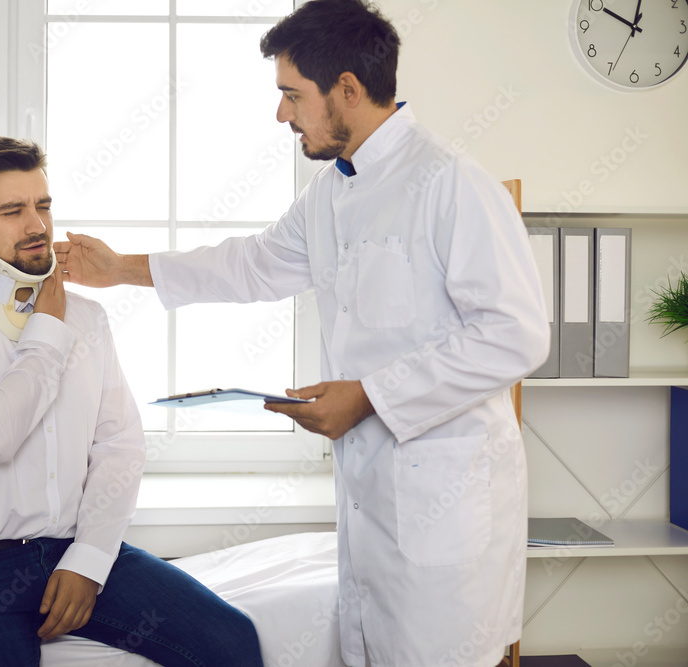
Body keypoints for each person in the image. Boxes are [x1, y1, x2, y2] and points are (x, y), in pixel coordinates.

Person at [55, 1, 550, 665]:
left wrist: (369, 393)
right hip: (371, 505)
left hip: (446, 513)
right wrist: (121, 269)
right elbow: (253, 262)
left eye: (292, 95)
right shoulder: (332, 192)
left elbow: (516, 336)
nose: (281, 115)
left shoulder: (453, 185)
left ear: (348, 88)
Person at [0, 134, 264, 667]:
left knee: (233, 644)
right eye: (12, 210)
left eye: (43, 205)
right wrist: (47, 323)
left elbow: (119, 444)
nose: (37, 225)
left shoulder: (89, 318)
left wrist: (88, 560)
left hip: (72, 548)